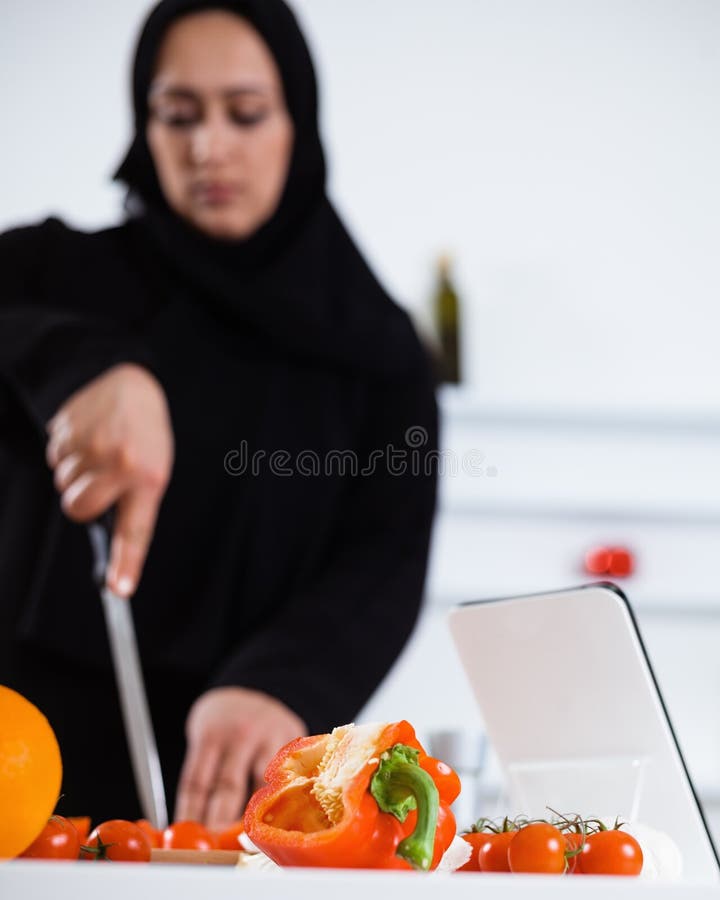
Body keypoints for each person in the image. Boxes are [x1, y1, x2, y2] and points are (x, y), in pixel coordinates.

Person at [0, 0, 437, 829]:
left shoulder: (379, 351)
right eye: (177, 115)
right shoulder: (50, 273)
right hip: (15, 770)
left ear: (297, 125)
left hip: (233, 787)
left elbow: (385, 560)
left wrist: (282, 681)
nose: (209, 146)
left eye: (245, 114)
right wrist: (80, 365)